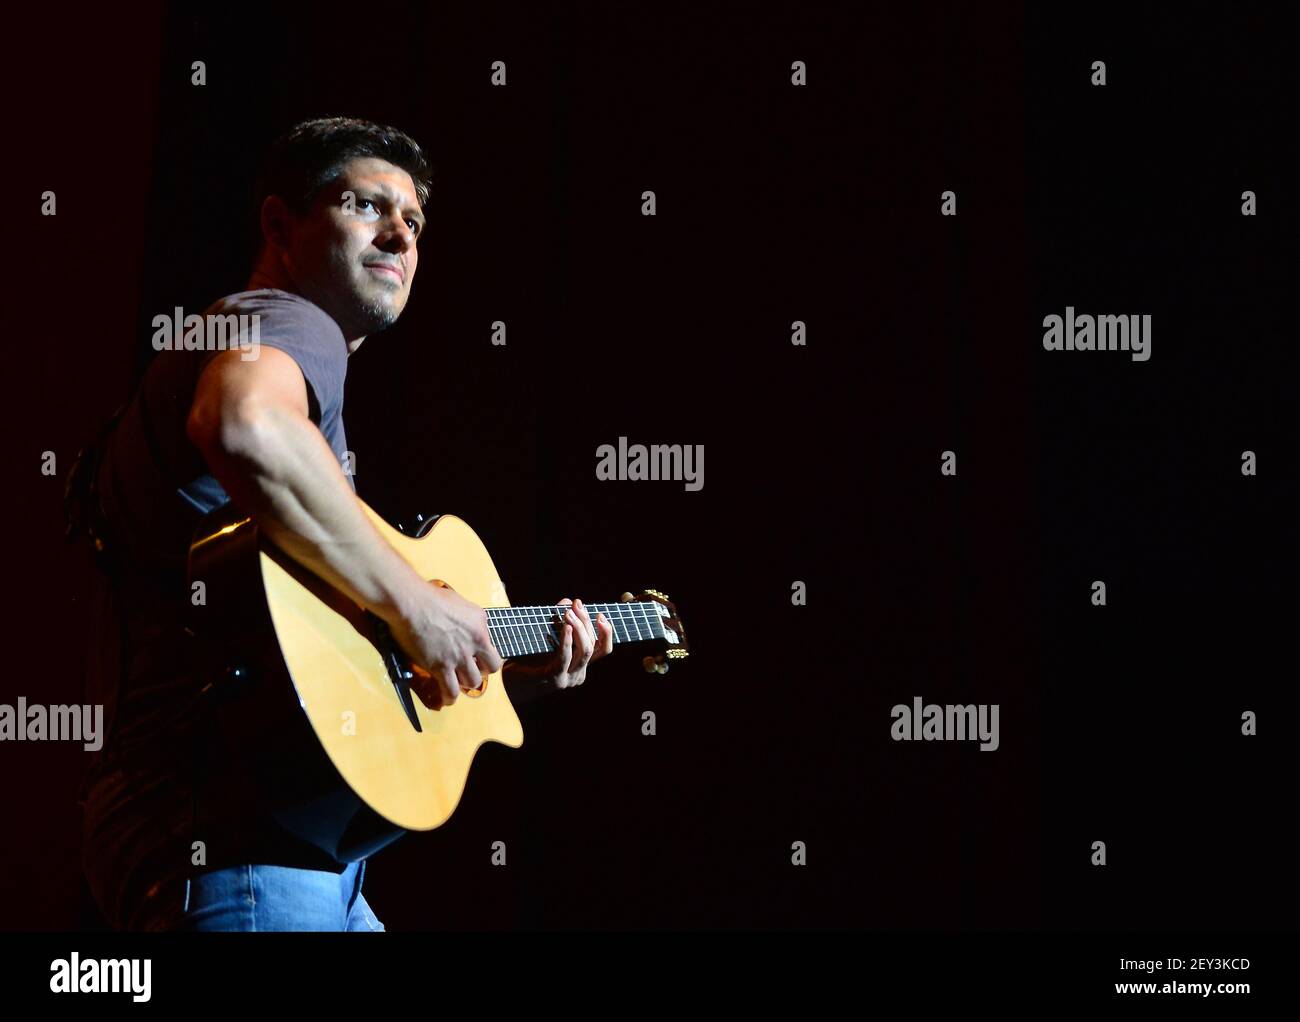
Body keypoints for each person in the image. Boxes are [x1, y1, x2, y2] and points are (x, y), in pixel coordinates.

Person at [75, 116, 613, 932]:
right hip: (241, 847)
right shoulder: (292, 323)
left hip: (268, 843)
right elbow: (244, 423)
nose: (399, 231)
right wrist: (418, 605)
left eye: (415, 222)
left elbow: (310, 656)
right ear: (279, 227)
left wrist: (492, 678)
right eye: (365, 204)